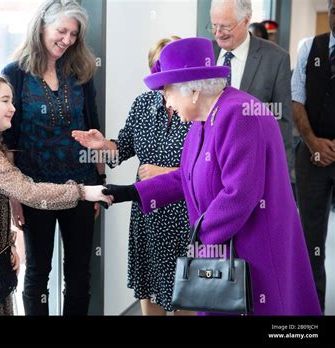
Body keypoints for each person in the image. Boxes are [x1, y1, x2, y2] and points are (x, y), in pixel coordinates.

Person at [102, 37, 322, 316]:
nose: (165, 98)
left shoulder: (239, 114)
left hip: (254, 257)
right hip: (224, 254)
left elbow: (240, 194)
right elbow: (187, 177)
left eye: (167, 90)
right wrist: (127, 193)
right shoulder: (202, 119)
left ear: (193, 90)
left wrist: (197, 241)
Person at [0, 73, 110, 316]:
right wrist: (83, 191)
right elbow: (29, 191)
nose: (13, 108)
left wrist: (7, 244)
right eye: (5, 101)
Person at [72, 36, 194, 315]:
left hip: (185, 213)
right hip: (148, 213)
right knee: (149, 286)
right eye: (158, 67)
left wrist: (165, 172)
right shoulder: (143, 104)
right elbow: (123, 147)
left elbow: (208, 165)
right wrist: (103, 146)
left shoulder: (197, 106)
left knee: (187, 292)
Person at [1, 0, 103, 315]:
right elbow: (8, 140)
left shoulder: (80, 72)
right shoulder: (14, 73)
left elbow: (93, 129)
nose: (68, 40)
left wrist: (99, 182)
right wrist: (13, 196)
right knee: (37, 275)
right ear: (42, 25)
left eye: (74, 34)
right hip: (34, 191)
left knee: (78, 276)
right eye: (62, 31)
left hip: (80, 189)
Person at [208, 0, 293, 177]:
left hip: (253, 165)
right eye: (214, 26)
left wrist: (280, 172)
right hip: (208, 164)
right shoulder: (205, 52)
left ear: (246, 20)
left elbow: (281, 119)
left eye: (225, 27)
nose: (218, 33)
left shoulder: (276, 58)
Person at [291, 0, 335, 313]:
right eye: (334, 9)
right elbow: (296, 99)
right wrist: (313, 143)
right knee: (310, 242)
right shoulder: (310, 47)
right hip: (312, 157)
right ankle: (312, 310)